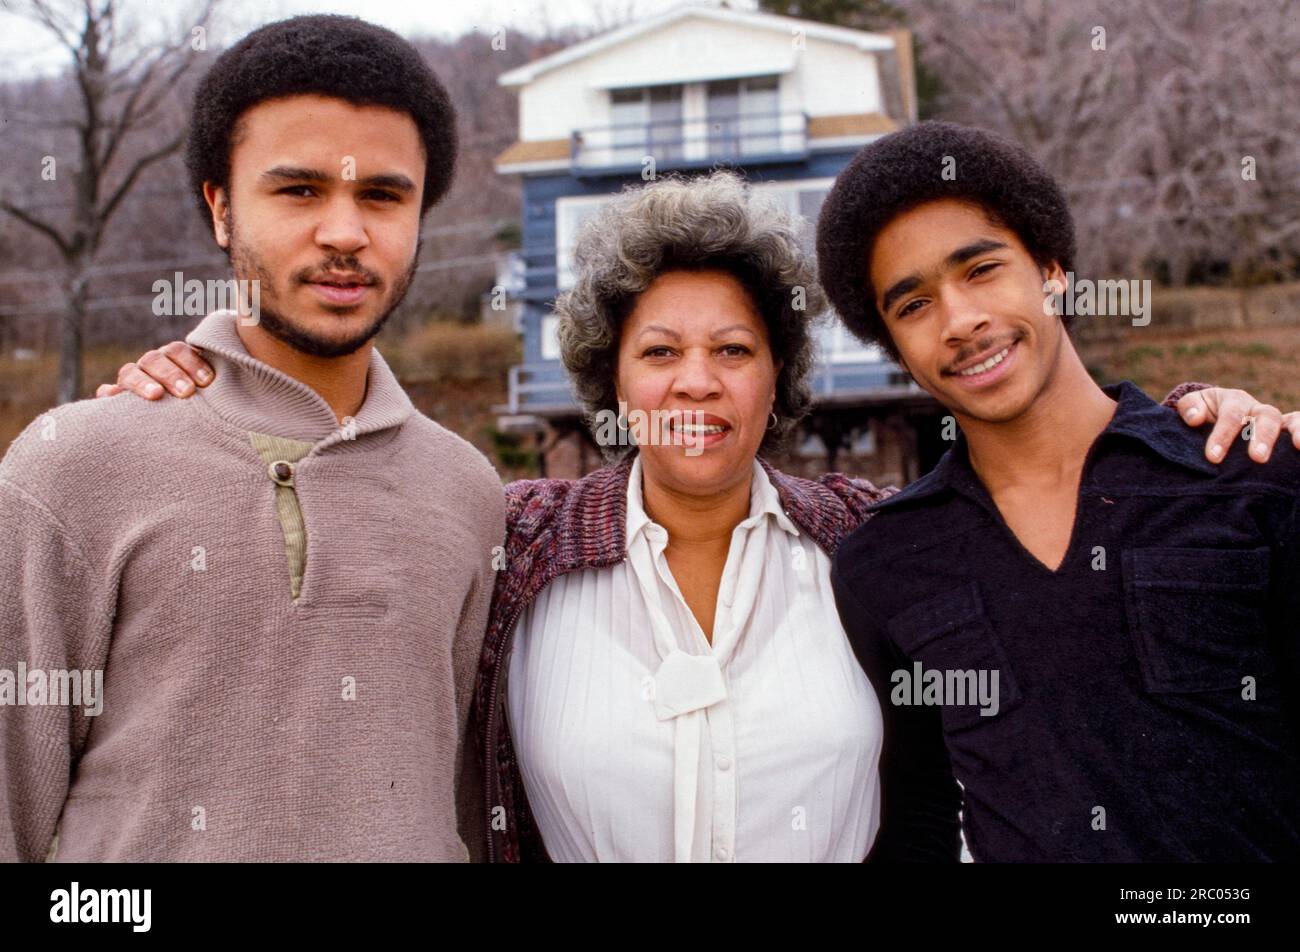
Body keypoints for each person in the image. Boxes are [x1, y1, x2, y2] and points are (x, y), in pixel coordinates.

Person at [101, 169, 1294, 863]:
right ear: (609, 377)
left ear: (778, 376)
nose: (694, 381)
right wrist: (187, 389)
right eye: (658, 350)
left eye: (733, 350)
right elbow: (337, 503)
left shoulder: (872, 546)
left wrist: (1192, 421)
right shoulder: (508, 540)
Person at [0, 15, 503, 862]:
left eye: (383, 195)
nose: (345, 232)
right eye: (299, 190)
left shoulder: (470, 493)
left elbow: (457, 794)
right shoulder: (73, 466)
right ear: (220, 207)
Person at [818, 120, 1300, 861]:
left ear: (1052, 270)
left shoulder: (1251, 476)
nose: (961, 322)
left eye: (981, 270)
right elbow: (919, 808)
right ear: (893, 347)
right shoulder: (884, 562)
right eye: (913, 305)